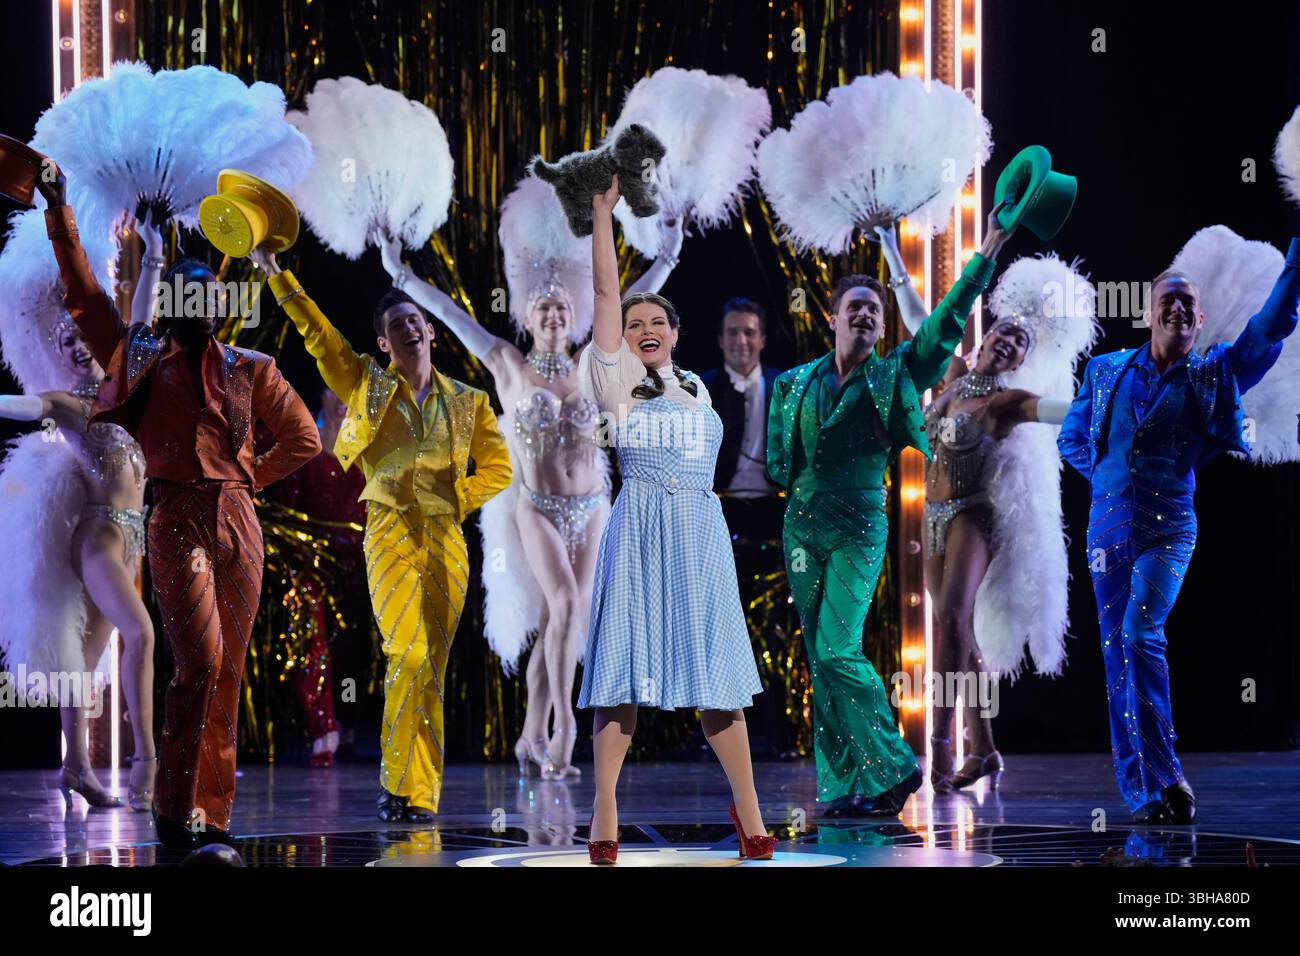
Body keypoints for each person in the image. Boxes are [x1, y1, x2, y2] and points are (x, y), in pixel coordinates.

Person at [37, 161, 321, 846]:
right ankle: (173, 807)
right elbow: (82, 295)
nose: (198, 306)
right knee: (198, 663)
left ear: (219, 308)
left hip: (238, 522)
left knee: (227, 669)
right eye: (182, 295)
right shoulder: (139, 360)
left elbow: (306, 439)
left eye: (208, 296)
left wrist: (248, 476)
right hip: (173, 519)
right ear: (169, 306)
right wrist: (59, 209)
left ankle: (206, 816)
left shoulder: (253, 369)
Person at [377, 185, 683, 778]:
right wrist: (402, 276)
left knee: (563, 620)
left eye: (563, 308)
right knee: (565, 603)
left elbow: (634, 301)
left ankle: (527, 735)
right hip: (537, 508)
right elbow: (451, 316)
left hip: (593, 503)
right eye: (543, 308)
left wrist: (668, 256)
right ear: (526, 316)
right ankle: (566, 725)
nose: (554, 314)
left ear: (577, 316)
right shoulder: (506, 365)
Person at [766, 205, 1010, 817]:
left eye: (876, 309)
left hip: (858, 525)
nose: (868, 314)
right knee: (818, 660)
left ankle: (896, 766)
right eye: (857, 306)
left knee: (836, 648)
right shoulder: (793, 383)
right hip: (802, 525)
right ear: (833, 317)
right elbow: (778, 459)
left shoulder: (897, 372)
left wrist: (987, 253)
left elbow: (946, 323)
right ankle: (846, 785)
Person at [256, 247, 512, 822]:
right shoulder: (366, 387)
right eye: (398, 325)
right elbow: (320, 337)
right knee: (408, 652)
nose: (410, 329)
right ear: (384, 343)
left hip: (447, 542)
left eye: (416, 321)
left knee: (432, 671)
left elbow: (499, 469)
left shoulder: (469, 404)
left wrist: (458, 497)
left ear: (431, 334)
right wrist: (276, 273)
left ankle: (422, 792)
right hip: (389, 533)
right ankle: (399, 782)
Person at [1058, 238, 1300, 824]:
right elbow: (1070, 437)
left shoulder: (1213, 373)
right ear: (1147, 312)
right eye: (1169, 299)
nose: (1180, 310)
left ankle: (1170, 780)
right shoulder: (1105, 369)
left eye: (1190, 304)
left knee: (1141, 633)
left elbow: (1269, 328)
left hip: (1169, 530)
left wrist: (1297, 260)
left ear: (1200, 319)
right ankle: (1143, 791)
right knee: (1117, 652)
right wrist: (1110, 480)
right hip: (1106, 532)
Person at [577, 174, 775, 864]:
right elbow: (607, 294)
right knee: (622, 673)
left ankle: (748, 809)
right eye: (635, 325)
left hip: (699, 533)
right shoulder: (614, 380)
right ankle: (604, 806)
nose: (645, 329)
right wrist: (603, 214)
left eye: (657, 321)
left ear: (678, 333)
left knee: (716, 676)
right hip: (639, 530)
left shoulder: (695, 386)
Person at [0, 208, 165, 812]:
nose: (74, 346)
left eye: (80, 336)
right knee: (141, 633)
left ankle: (76, 767)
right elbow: (19, 408)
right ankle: (147, 765)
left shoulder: (130, 384)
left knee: (85, 662)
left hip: (131, 540)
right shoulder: (68, 406)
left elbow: (143, 320)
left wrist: (153, 253)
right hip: (97, 538)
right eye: (64, 341)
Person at [914, 255, 1096, 791]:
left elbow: (1067, 408)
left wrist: (1119, 392)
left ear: (1022, 359)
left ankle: (941, 748)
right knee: (960, 635)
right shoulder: (952, 380)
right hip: (931, 518)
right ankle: (986, 749)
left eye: (1021, 342)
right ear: (987, 334)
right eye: (1004, 332)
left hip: (975, 515)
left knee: (950, 618)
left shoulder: (1006, 401)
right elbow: (926, 323)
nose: (1010, 341)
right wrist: (895, 257)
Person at [268, 386, 369, 766]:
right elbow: (287, 511)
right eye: (333, 386)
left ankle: (346, 717)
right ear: (322, 392)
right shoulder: (306, 438)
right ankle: (320, 724)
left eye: (350, 387)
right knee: (313, 629)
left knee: (353, 643)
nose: (343, 397)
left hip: (359, 561)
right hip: (312, 563)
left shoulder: (370, 438)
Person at [698, 297, 783, 538]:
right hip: (717, 509)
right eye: (732, 333)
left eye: (749, 332)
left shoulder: (784, 386)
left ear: (762, 340)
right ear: (721, 340)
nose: (741, 341)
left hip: (775, 506)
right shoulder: (701, 388)